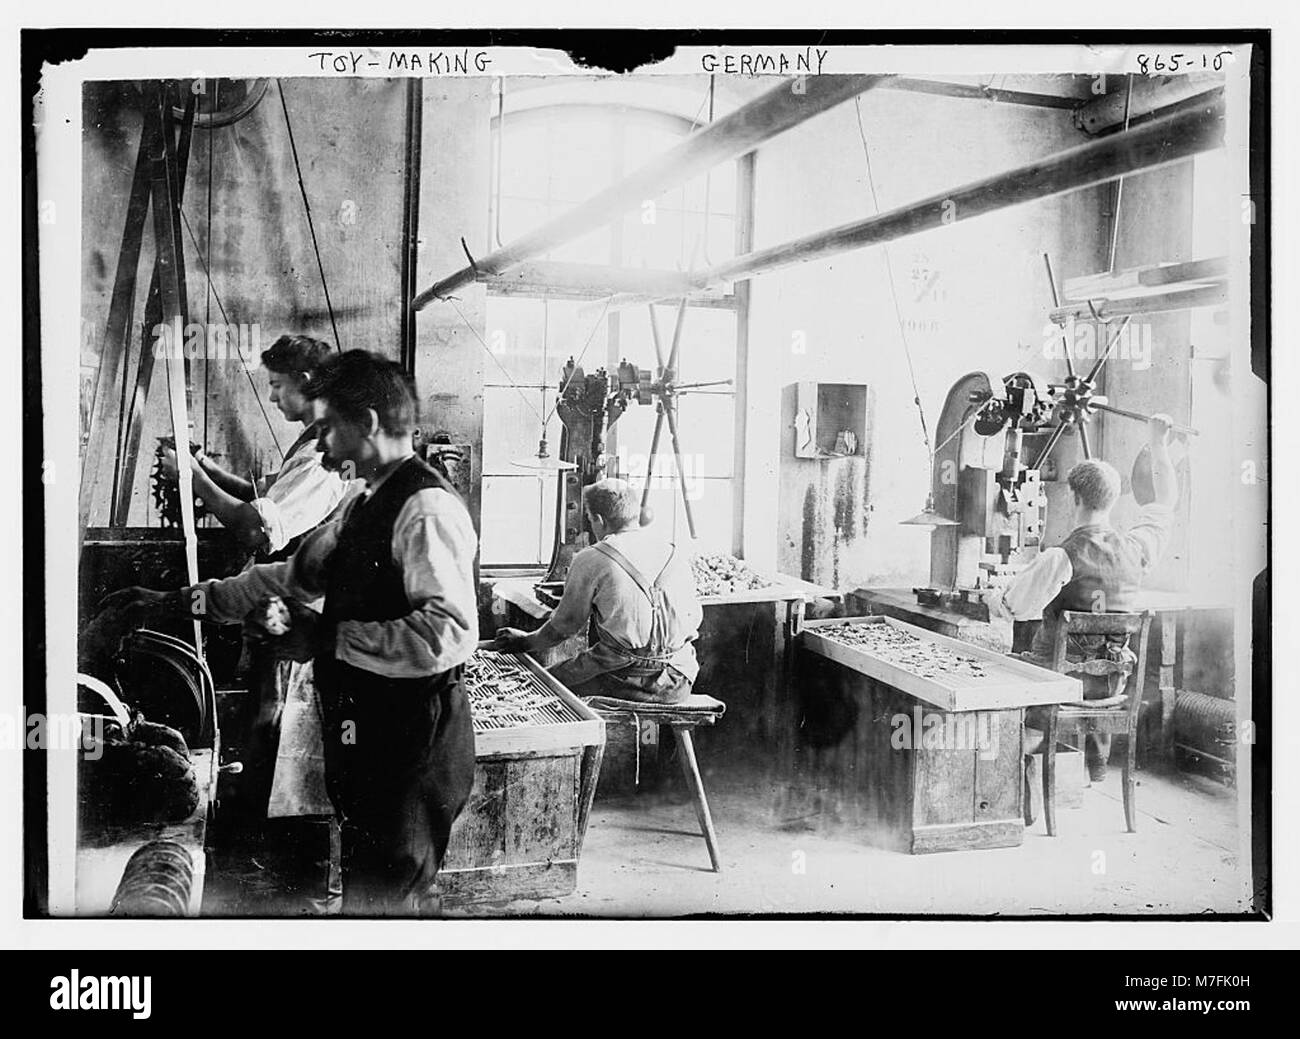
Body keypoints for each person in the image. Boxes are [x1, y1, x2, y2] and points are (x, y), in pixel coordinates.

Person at [107, 350, 478, 916]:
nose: (321, 443)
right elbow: (288, 576)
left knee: (387, 893)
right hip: (368, 726)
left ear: (370, 424)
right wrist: (178, 602)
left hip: (414, 737)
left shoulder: (425, 508)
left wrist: (328, 638)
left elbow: (447, 633)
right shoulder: (363, 499)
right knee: (367, 881)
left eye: (327, 427)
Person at [989, 414, 1179, 791]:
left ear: (1074, 497)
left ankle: (1016, 767)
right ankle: (1093, 767)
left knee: (998, 666)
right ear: (1112, 500)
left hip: (1057, 686)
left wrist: (996, 593)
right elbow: (1166, 502)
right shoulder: (1138, 549)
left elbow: (1013, 609)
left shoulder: (1061, 557)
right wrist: (1158, 444)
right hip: (1109, 687)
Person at [494, 477, 703, 704]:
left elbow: (563, 629)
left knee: (536, 684)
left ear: (599, 520)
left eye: (590, 519)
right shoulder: (673, 553)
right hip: (678, 680)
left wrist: (525, 641)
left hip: (627, 682)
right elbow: (694, 618)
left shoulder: (591, 558)